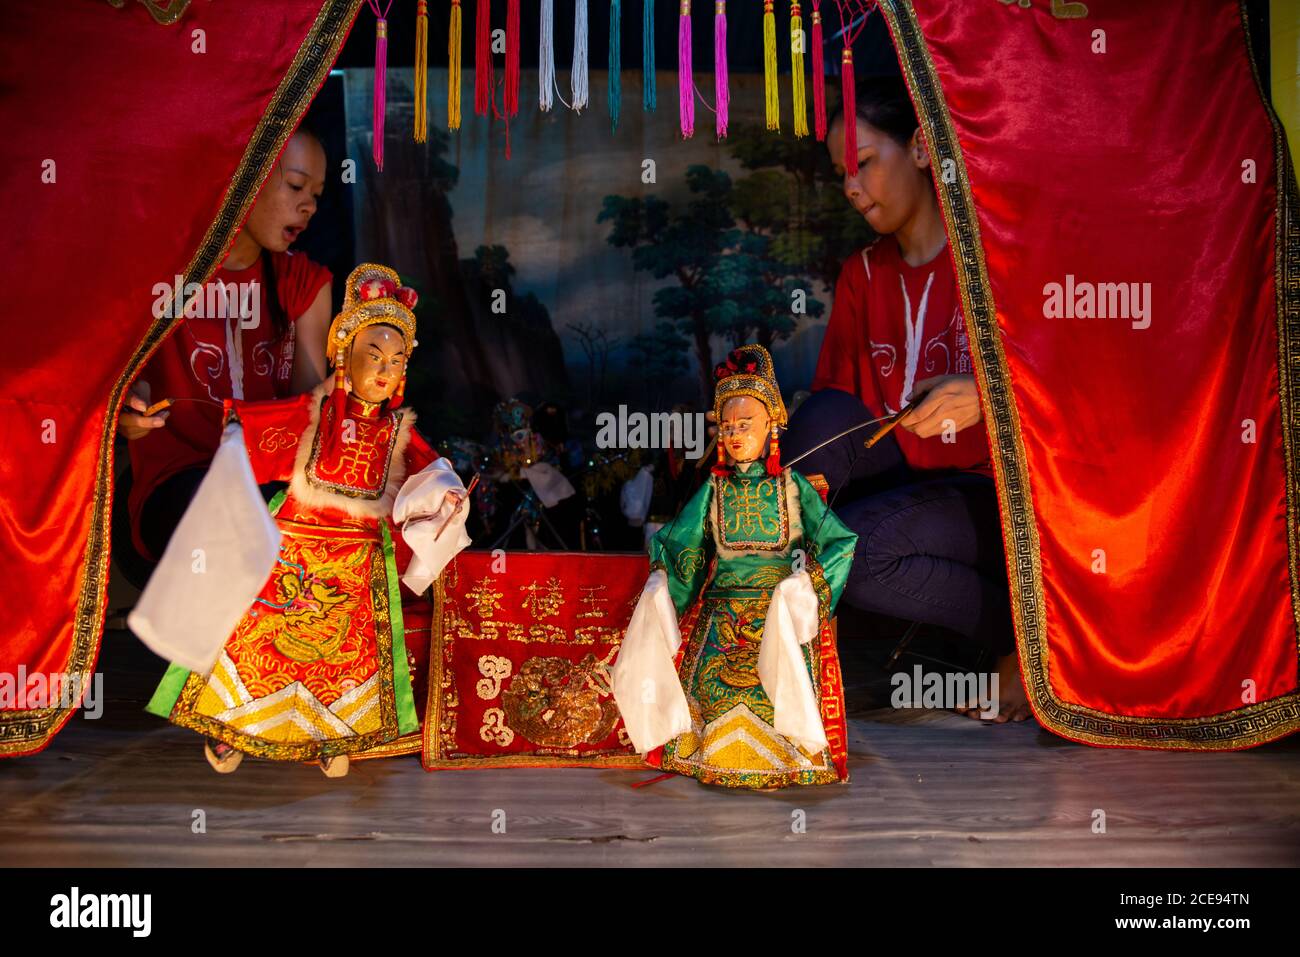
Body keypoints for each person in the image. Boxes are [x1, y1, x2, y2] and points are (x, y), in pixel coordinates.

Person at [139, 264, 470, 776]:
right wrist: (235, 427)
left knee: (348, 652)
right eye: (372, 356)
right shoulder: (314, 413)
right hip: (293, 545)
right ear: (344, 355)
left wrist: (446, 498)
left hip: (357, 563)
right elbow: (262, 431)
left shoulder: (402, 435)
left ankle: (334, 732)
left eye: (395, 360)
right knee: (253, 636)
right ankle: (230, 730)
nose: (383, 371)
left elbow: (429, 480)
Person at [783, 77, 1029, 722]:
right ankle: (756, 645)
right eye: (842, 174)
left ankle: (1025, 643)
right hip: (894, 481)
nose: (850, 188)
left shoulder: (993, 258)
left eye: (863, 163)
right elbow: (837, 421)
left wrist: (989, 396)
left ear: (922, 149)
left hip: (986, 498)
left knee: (858, 553)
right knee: (822, 418)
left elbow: (1074, 385)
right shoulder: (862, 274)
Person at [612, 345, 857, 788]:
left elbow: (840, 541)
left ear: (771, 425)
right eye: (726, 426)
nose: (735, 434)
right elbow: (683, 545)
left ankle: (786, 757)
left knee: (776, 692)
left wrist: (806, 586)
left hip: (776, 619)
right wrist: (662, 581)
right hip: (720, 618)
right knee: (711, 690)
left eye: (746, 424)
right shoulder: (714, 489)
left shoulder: (794, 487)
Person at [115, 127, 334, 586]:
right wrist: (122, 414)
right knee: (229, 518)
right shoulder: (156, 273)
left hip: (269, 486)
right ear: (244, 176)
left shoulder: (303, 283)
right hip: (175, 487)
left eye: (316, 194)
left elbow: (307, 416)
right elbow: (106, 384)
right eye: (295, 186)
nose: (310, 206)